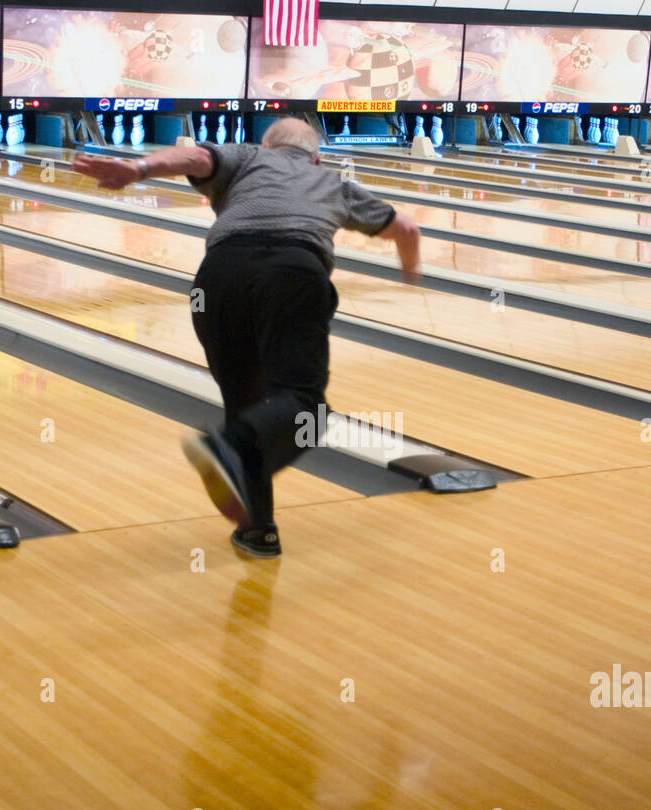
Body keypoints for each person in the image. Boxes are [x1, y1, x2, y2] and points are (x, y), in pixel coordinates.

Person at [73, 118, 421, 557]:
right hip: (293, 275)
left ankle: (259, 529)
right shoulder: (331, 180)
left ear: (267, 143)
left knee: (250, 413)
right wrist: (412, 276)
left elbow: (197, 156)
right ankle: (223, 447)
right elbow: (406, 229)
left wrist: (137, 169)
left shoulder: (246, 156)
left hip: (217, 280)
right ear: (316, 157)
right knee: (305, 408)